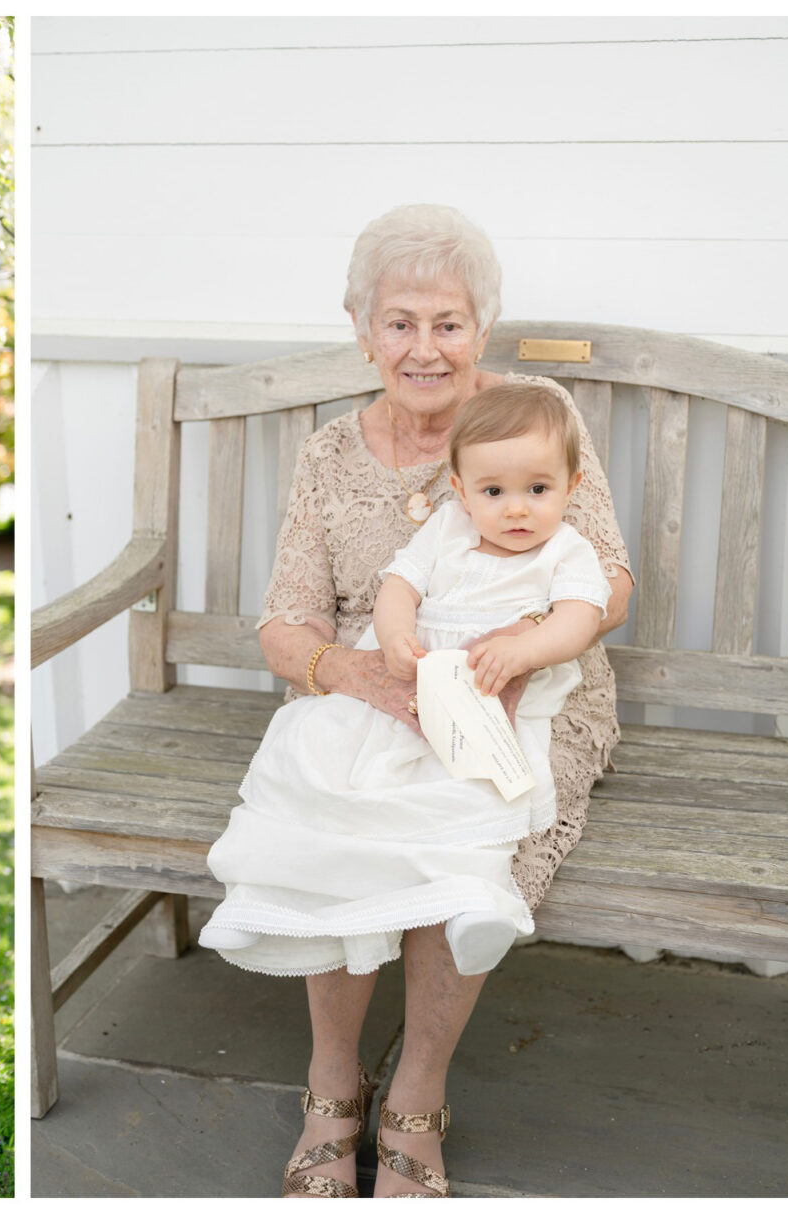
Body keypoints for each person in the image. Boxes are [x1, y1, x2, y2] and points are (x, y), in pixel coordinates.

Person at [245, 205, 633, 1198]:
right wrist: (368, 675)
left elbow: (610, 583)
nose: (425, 348)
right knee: (333, 811)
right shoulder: (331, 453)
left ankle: (416, 1090)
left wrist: (521, 649)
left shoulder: (530, 416)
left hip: (529, 697)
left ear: (481, 328)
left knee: (464, 836)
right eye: (401, 322)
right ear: (360, 326)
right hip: (374, 691)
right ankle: (331, 1081)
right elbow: (286, 625)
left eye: (448, 323)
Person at [200, 381, 610, 983]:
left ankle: (478, 902)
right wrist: (393, 637)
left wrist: (524, 649)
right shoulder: (446, 529)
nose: (517, 509)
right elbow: (401, 587)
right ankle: (258, 898)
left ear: (571, 488)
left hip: (492, 696)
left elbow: (581, 619)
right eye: (494, 492)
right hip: (409, 676)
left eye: (538, 490)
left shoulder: (566, 551)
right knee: (313, 751)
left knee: (470, 793)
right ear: (461, 491)